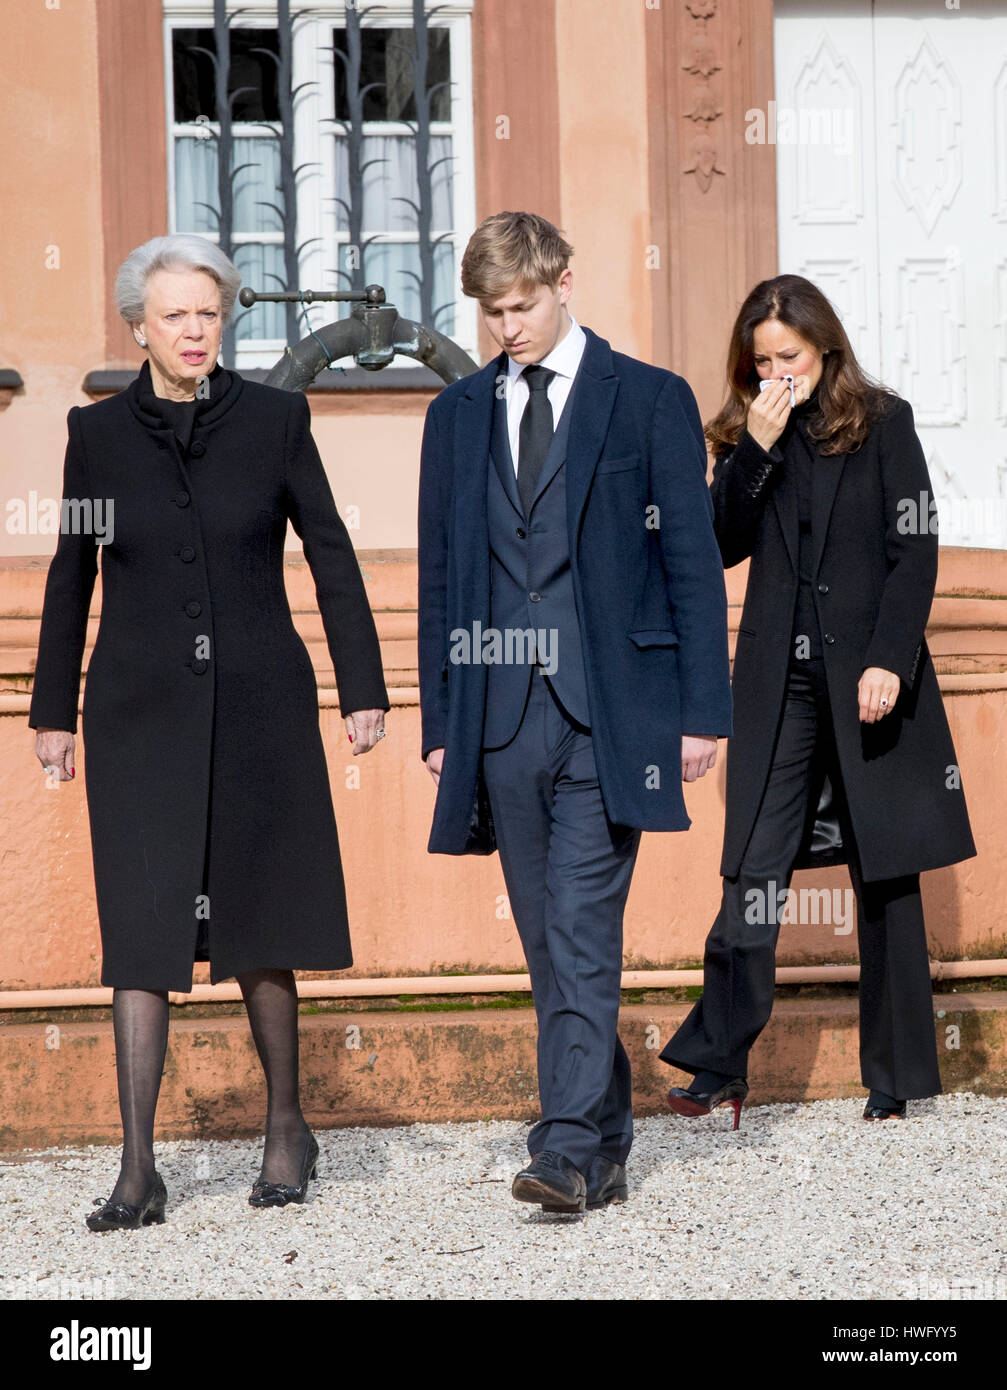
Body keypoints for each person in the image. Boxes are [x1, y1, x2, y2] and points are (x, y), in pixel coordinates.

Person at [29, 234, 388, 1230]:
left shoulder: (275, 419)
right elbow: (71, 571)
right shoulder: (95, 434)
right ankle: (138, 1168)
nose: (194, 331)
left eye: (208, 313)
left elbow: (330, 551)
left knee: (261, 920)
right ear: (136, 327)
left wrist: (362, 686)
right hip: (136, 716)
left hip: (260, 708)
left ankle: (286, 1127)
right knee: (141, 929)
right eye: (174, 315)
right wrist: (51, 709)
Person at [417, 211, 732, 1213]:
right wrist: (440, 720)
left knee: (579, 923)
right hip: (500, 714)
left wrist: (702, 712)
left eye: (521, 305)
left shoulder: (648, 398)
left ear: (562, 283)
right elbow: (438, 577)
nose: (506, 327)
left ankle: (558, 1147)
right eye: (490, 312)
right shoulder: (455, 415)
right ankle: (604, 1140)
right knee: (548, 941)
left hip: (613, 713)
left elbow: (691, 565)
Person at [660, 274, 976, 1126]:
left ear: (824, 349)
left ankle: (894, 1078)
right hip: (778, 682)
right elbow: (715, 546)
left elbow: (914, 547)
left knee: (885, 871)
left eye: (788, 357)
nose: (776, 375)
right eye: (761, 362)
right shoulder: (743, 435)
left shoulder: (883, 422)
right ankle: (718, 1061)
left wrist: (888, 661)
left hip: (870, 677)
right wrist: (754, 452)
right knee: (751, 868)